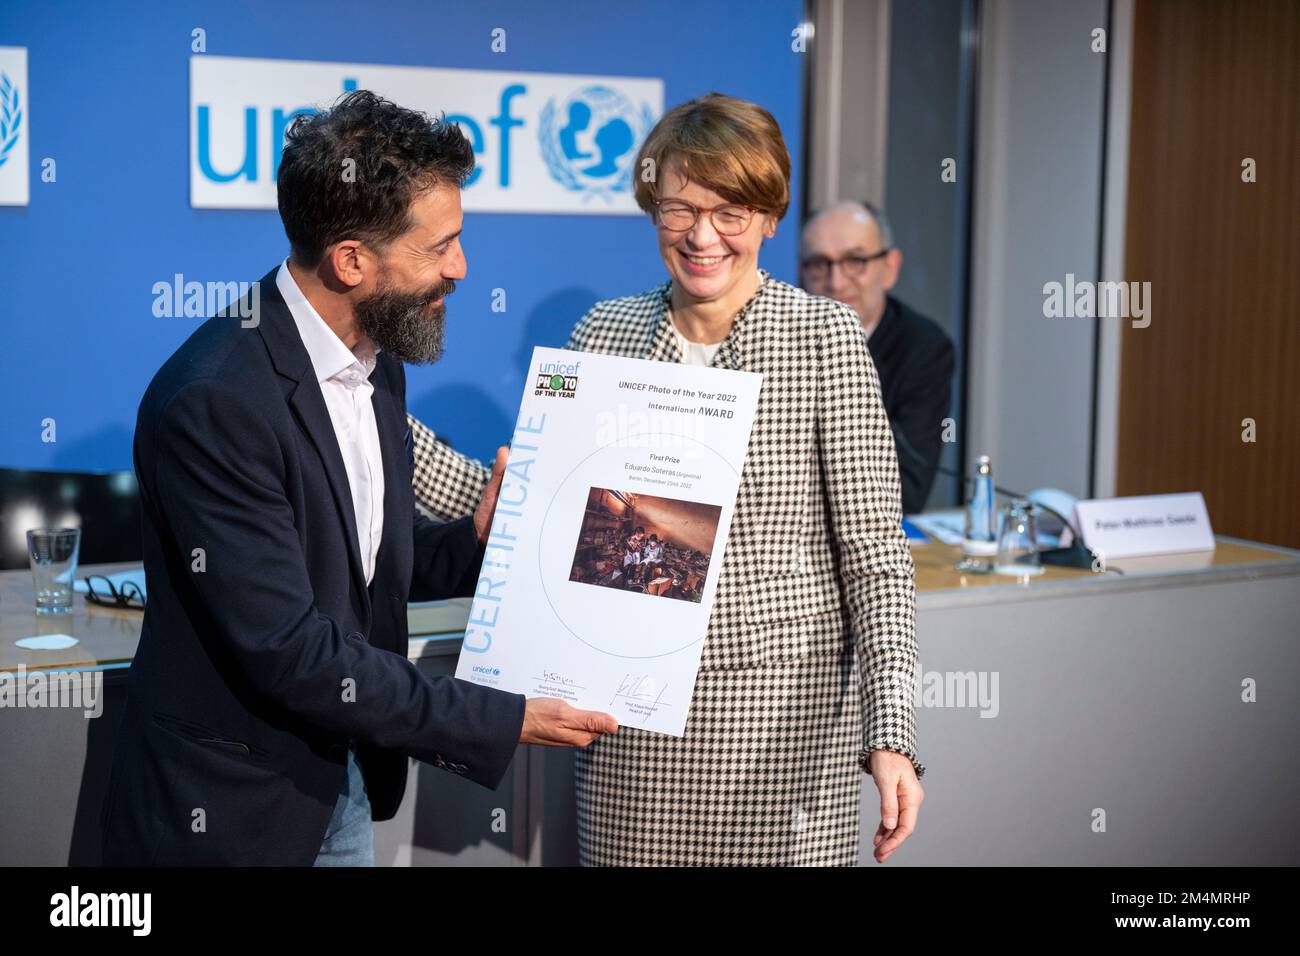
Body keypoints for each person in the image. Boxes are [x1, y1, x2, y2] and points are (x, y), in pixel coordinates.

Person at [99, 91, 616, 867]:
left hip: (341, 784)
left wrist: (478, 543)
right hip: (232, 812)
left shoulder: (377, 357)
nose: (460, 268)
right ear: (350, 261)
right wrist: (501, 717)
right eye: (439, 247)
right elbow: (290, 647)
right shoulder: (215, 401)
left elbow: (359, 567)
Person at [406, 93, 924, 866]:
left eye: (731, 212)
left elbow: (877, 558)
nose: (702, 235)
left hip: (780, 748)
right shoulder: (603, 334)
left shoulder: (826, 340)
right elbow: (533, 510)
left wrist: (893, 736)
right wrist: (382, 426)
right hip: (634, 743)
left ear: (772, 217)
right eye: (679, 210)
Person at [800, 200, 956, 513]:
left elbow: (908, 489)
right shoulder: (774, 335)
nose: (836, 282)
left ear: (890, 268)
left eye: (854, 261)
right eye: (819, 263)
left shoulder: (924, 347)